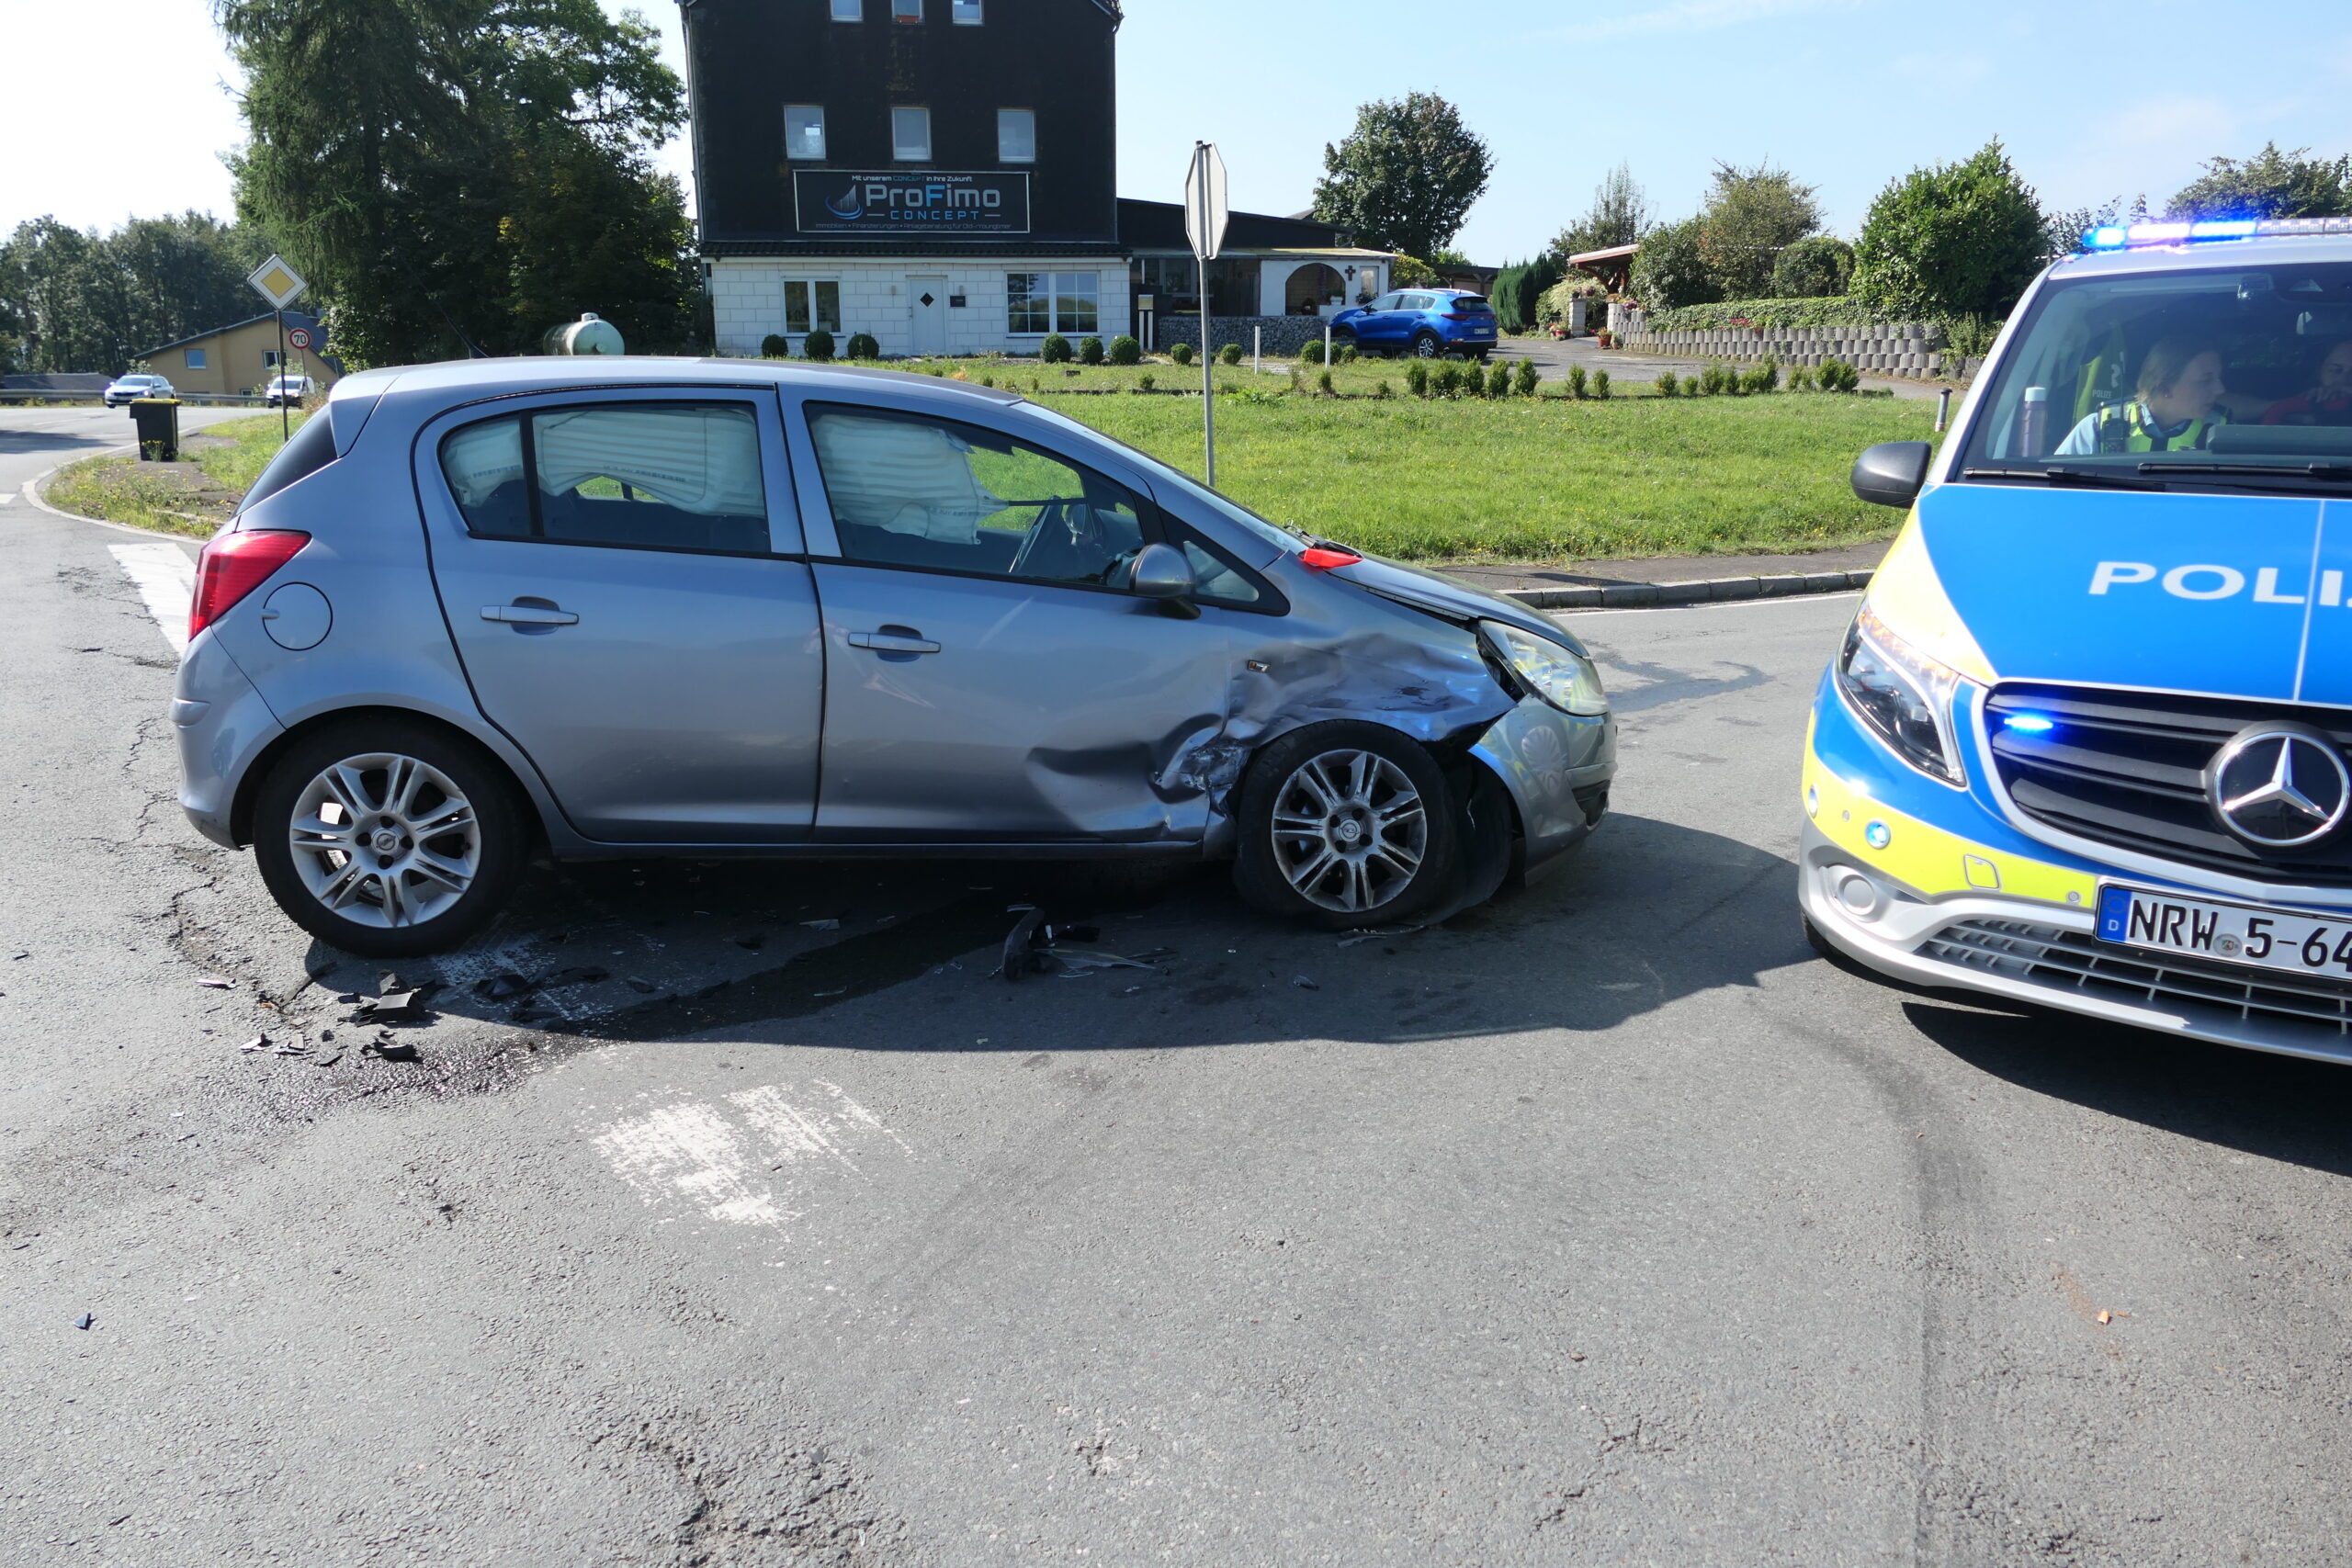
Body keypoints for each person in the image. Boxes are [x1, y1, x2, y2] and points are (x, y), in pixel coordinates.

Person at [2054, 336, 2230, 455]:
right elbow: (2056, 492)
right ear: (2164, 388)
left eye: (2219, 378)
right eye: (2205, 381)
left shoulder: (2224, 433)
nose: (2220, 389)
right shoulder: (2097, 429)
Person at [2262, 337, 2352, 425]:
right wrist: (2293, 405)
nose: (2344, 380)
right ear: (2318, 371)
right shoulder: (2290, 406)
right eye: (2336, 370)